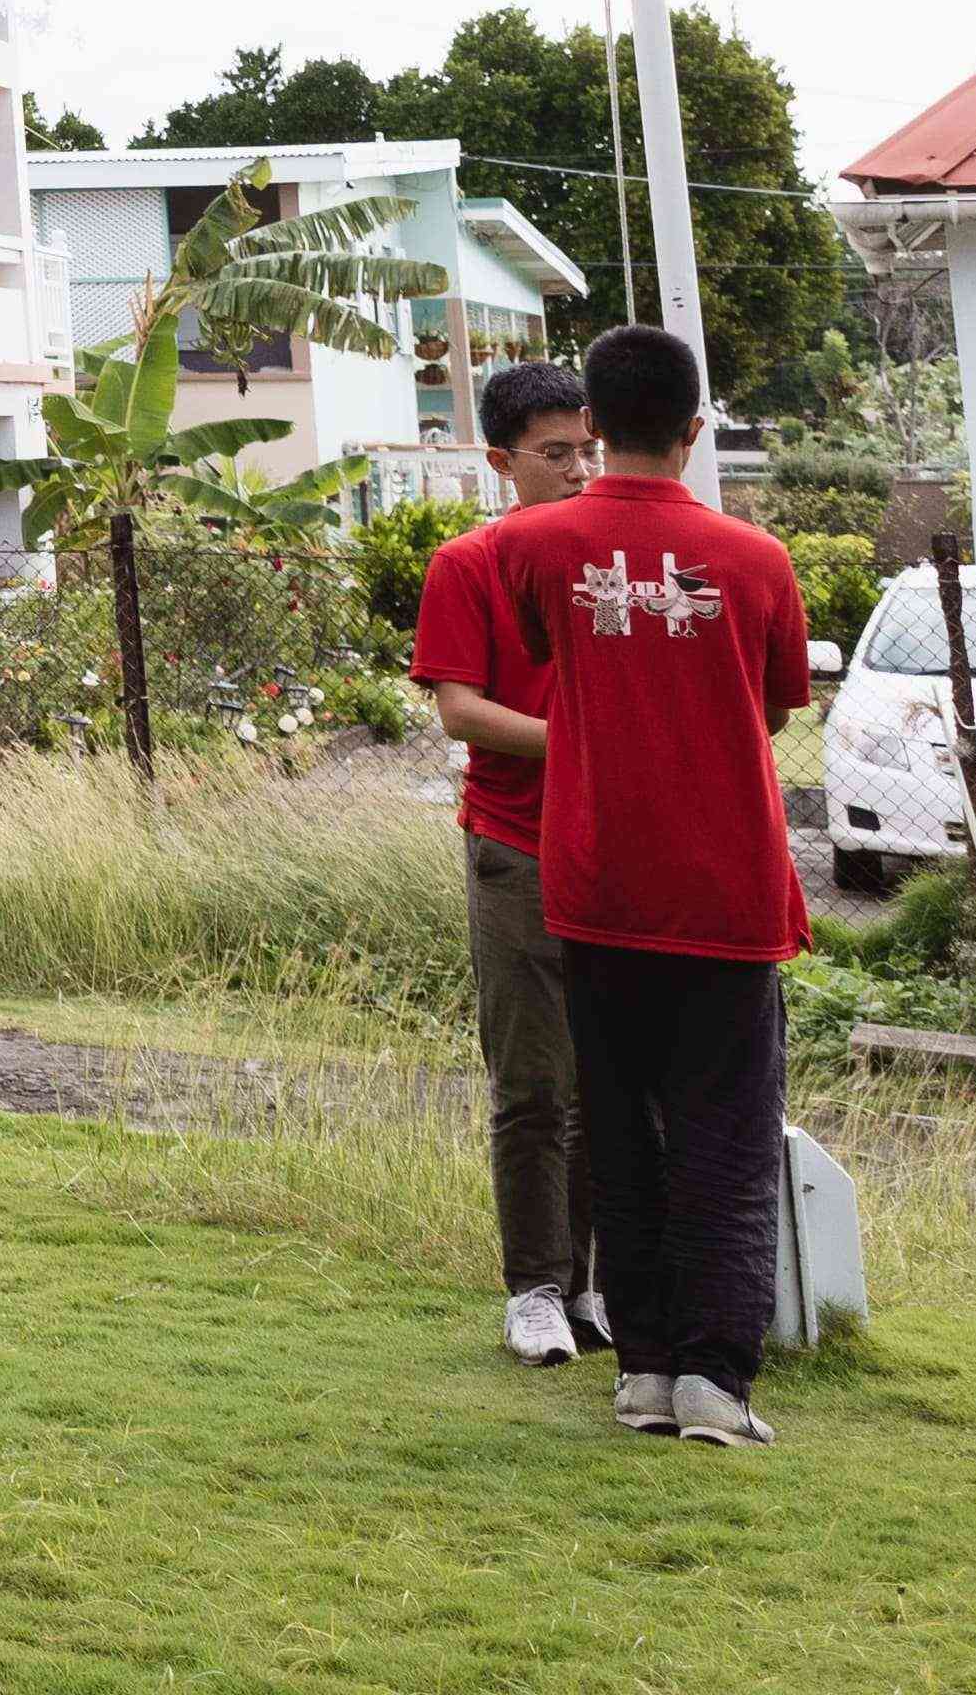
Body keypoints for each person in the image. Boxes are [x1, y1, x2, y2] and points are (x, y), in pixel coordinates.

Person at [472, 318, 814, 1449]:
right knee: (726, 1140)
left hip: (595, 883)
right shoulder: (759, 560)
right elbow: (771, 708)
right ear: (695, 429)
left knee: (619, 1136)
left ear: (596, 425)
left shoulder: (533, 547)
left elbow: (550, 650)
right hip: (727, 893)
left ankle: (647, 1374)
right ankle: (717, 1380)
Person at [409, 358, 611, 1364]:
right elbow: (460, 710)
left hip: (621, 849)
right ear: (501, 461)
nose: (578, 470)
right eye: (555, 453)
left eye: (589, 450)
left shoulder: (617, 557)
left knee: (611, 1087)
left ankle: (592, 1284)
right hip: (516, 846)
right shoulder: (470, 564)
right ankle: (534, 1288)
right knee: (534, 1083)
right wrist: (589, 742)